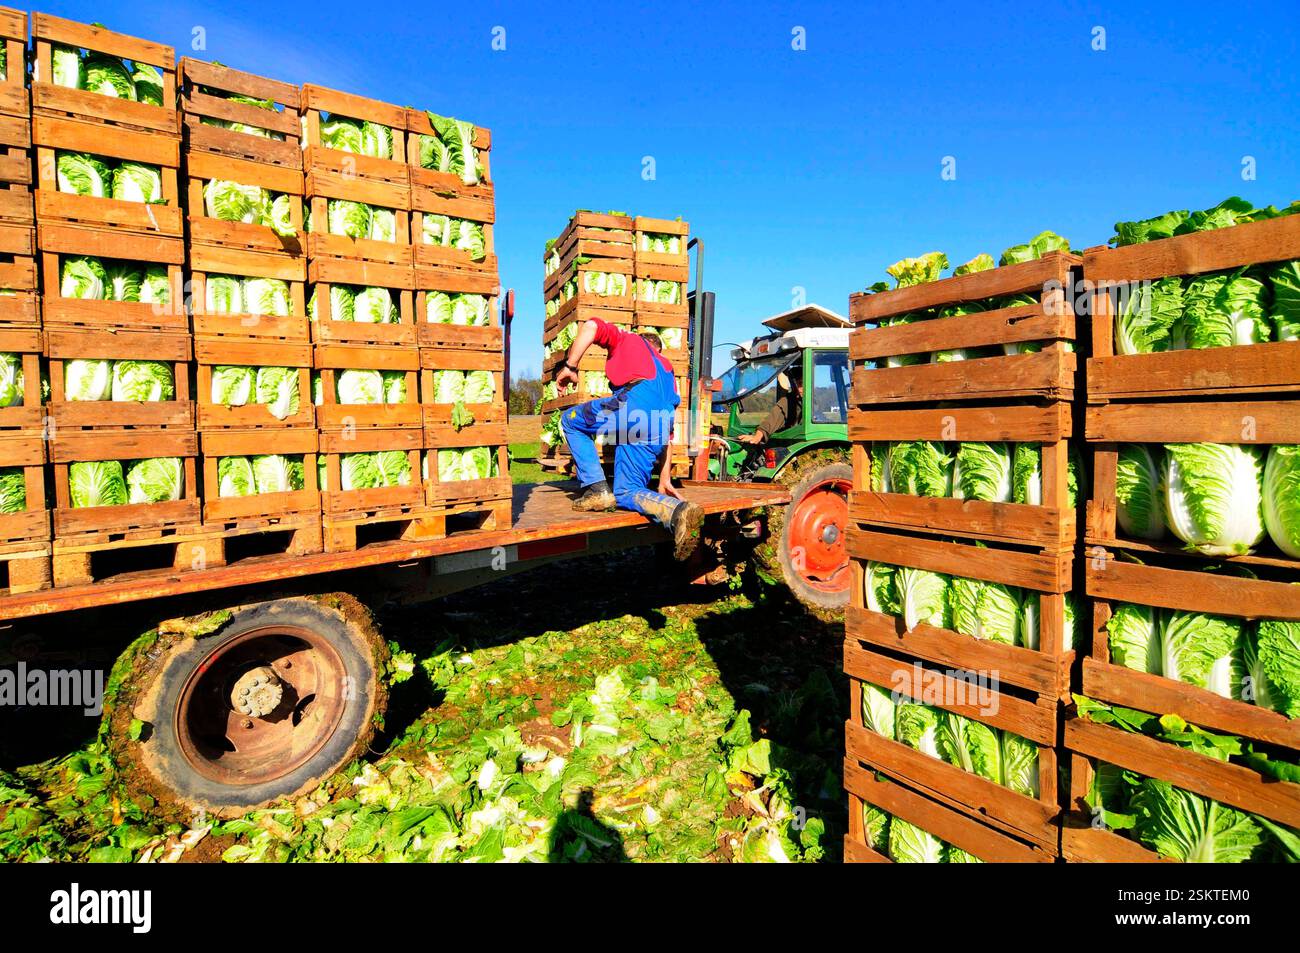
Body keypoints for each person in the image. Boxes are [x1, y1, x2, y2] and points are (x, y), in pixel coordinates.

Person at [555, 319, 704, 560]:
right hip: (657, 425)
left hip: (632, 408)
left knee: (570, 421)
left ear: (644, 343)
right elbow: (668, 431)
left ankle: (596, 489)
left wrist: (570, 366)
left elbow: (591, 325)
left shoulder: (629, 339)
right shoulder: (667, 370)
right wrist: (665, 477)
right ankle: (678, 512)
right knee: (626, 491)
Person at [736, 367, 802, 446]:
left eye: (801, 383)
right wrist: (759, 435)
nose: (799, 388)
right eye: (796, 384)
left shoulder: (816, 400)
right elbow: (777, 415)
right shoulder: (789, 400)